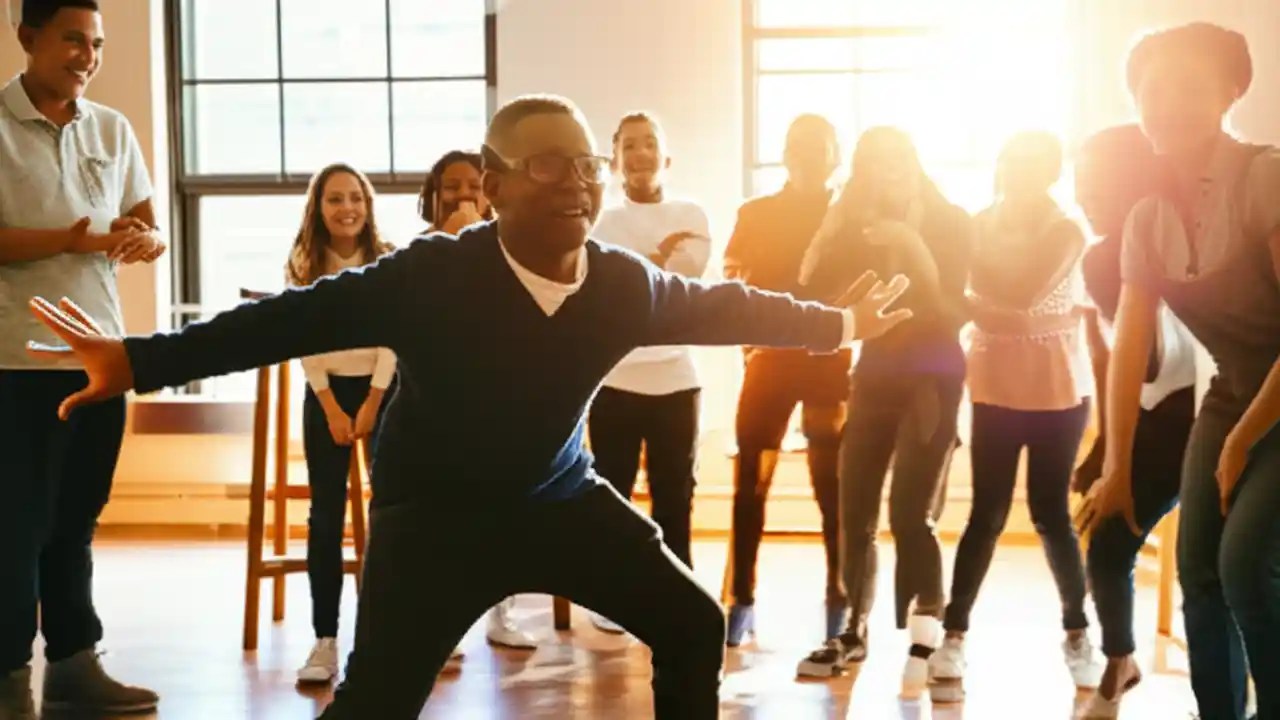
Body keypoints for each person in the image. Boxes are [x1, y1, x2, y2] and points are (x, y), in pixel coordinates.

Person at [25, 94, 914, 720]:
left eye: (587, 165)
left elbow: (725, 307)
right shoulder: (433, 276)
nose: (577, 181)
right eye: (547, 165)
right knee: (374, 705)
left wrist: (837, 323)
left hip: (560, 499)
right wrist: (140, 359)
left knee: (691, 623)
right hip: (436, 521)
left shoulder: (621, 284)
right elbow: (294, 318)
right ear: (492, 186)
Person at [1080, 23, 1280, 720]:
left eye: (1189, 87)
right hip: (1231, 394)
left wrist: (1241, 440)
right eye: (1150, 89)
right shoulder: (1146, 217)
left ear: (1231, 92)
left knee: (1245, 567)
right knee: (1199, 574)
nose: (1165, 103)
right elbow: (1128, 349)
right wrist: (1116, 467)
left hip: (1276, 400)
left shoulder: (1266, 176)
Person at [0, 1, 164, 717]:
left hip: (100, 357)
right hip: (14, 361)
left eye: (96, 44)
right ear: (27, 36)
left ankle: (72, 664)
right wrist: (73, 239)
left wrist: (140, 241)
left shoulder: (112, 128)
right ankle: (8, 676)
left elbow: (148, 227)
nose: (87, 56)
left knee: (76, 521)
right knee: (15, 524)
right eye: (73, 39)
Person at [794, 127, 972, 699]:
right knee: (855, 507)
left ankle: (930, 641)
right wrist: (832, 231)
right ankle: (852, 629)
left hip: (934, 377)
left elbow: (951, 310)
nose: (888, 171)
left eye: (898, 158)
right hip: (874, 374)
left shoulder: (951, 221)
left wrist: (912, 245)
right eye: (874, 163)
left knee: (909, 512)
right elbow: (815, 289)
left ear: (915, 161)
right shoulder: (854, 223)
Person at [928, 132, 1100, 703]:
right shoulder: (977, 222)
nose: (1014, 173)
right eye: (1008, 161)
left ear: (1050, 173)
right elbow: (968, 294)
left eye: (1029, 165)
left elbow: (1022, 294)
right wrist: (975, 299)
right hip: (995, 384)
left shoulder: (1066, 229)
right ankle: (954, 635)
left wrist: (970, 296)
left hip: (1057, 390)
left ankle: (1078, 636)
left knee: (1051, 514)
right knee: (987, 513)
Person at [1070, 126, 1199, 719]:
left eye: (1098, 183)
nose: (1085, 196)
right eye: (1081, 183)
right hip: (1147, 410)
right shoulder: (1097, 258)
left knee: (1216, 566)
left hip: (1204, 408)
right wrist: (1106, 450)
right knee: (1105, 537)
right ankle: (1120, 660)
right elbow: (1111, 362)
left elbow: (1143, 355)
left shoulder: (1169, 236)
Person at [720, 114, 852, 646]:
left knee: (832, 486)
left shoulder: (848, 217)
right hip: (770, 362)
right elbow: (731, 283)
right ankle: (742, 598)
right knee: (750, 482)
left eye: (819, 147)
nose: (808, 155)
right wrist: (749, 343)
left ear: (834, 155)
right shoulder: (756, 213)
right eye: (798, 146)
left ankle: (839, 598)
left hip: (829, 364)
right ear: (785, 153)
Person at [585, 112, 711, 634]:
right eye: (629, 145)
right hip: (614, 379)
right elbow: (613, 292)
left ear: (666, 156)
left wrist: (640, 265)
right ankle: (616, 595)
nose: (640, 154)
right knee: (614, 492)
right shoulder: (602, 222)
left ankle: (676, 592)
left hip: (676, 378)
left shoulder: (693, 212)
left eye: (649, 143)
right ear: (614, 159)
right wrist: (656, 257)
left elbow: (679, 285)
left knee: (674, 492)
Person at [416, 149, 539, 652]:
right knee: (443, 519)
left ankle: (500, 614)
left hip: (501, 401)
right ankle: (440, 627)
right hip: (439, 403)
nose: (463, 194)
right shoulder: (421, 250)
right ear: (435, 193)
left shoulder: (515, 250)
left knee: (502, 514)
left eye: (474, 185)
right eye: (452, 186)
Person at [285, 163, 398, 684]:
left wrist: (373, 402)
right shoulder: (304, 261)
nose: (347, 207)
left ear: (368, 204)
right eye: (335, 199)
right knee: (325, 514)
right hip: (326, 394)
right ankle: (324, 640)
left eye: (356, 197)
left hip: (383, 390)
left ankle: (387, 636)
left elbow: (396, 337)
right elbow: (303, 341)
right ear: (319, 207)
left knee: (392, 511)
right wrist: (331, 405)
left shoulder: (389, 258)